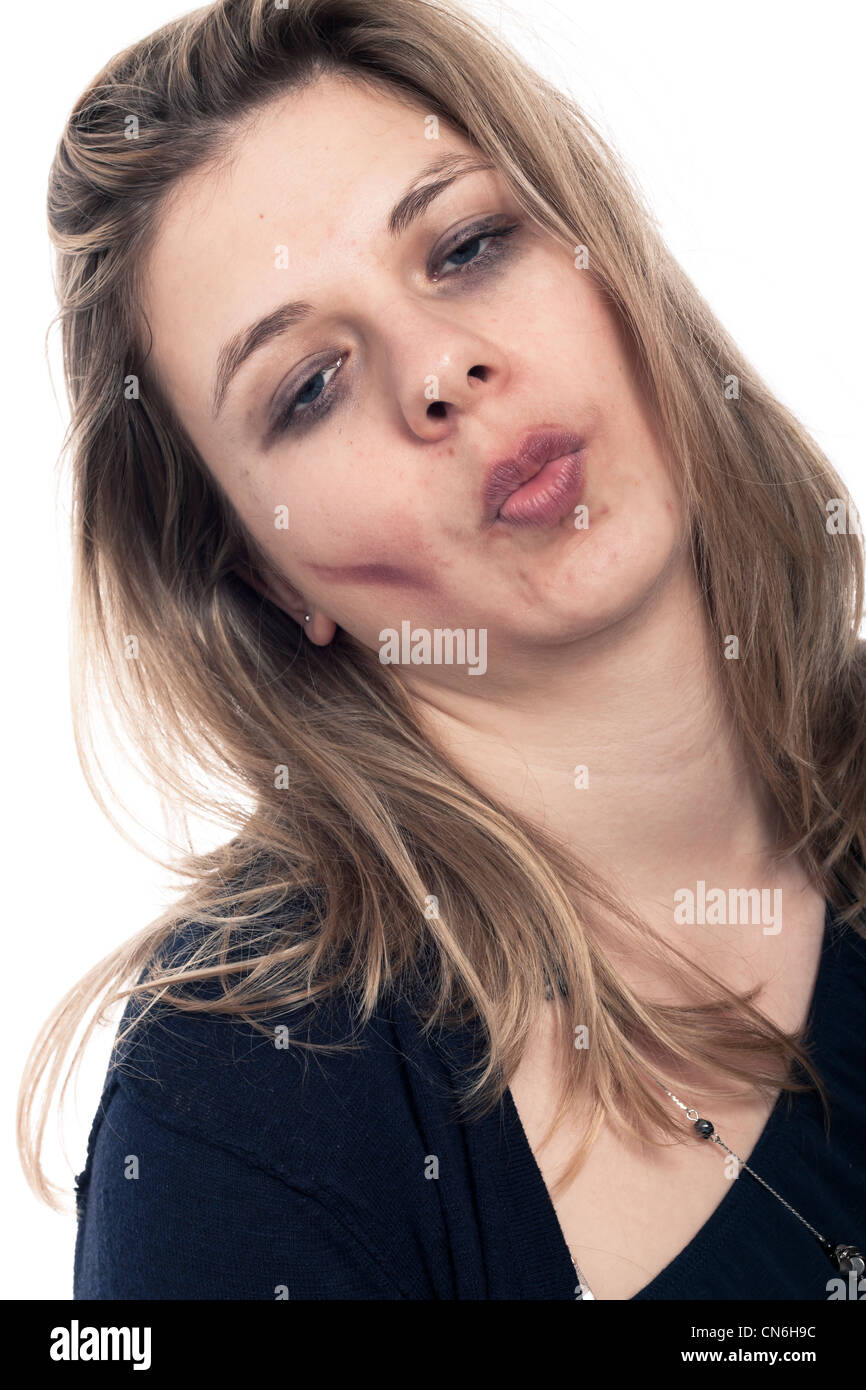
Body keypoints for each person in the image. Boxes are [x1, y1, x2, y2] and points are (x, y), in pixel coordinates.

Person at [19, 0, 866, 1301]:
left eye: (469, 245)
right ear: (255, 567)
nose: (442, 369)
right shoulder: (242, 1098)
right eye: (307, 384)